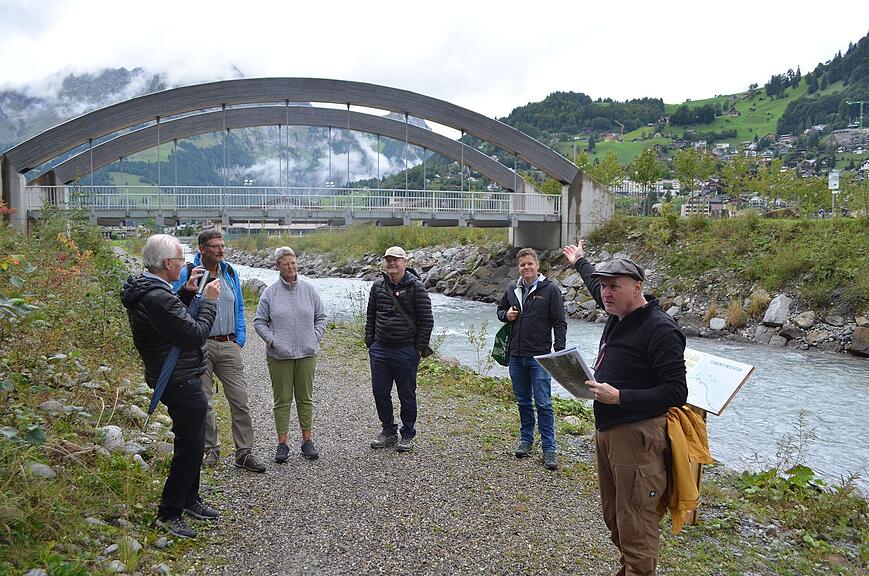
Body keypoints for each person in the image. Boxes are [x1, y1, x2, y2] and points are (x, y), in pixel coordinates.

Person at [562, 240, 688, 576]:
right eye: (604, 286)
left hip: (637, 435)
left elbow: (676, 392)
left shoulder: (660, 329)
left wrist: (620, 398)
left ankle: (638, 570)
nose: (605, 293)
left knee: (636, 520)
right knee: (615, 516)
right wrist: (580, 261)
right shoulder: (619, 313)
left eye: (614, 286)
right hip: (609, 433)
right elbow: (594, 285)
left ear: (638, 287)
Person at [121, 234, 220, 539]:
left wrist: (189, 295)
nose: (182, 265)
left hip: (177, 374)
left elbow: (173, 323)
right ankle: (169, 512)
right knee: (189, 447)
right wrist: (208, 302)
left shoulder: (153, 290)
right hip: (179, 379)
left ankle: (190, 499)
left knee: (192, 441)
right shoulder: (157, 296)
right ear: (167, 264)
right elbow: (192, 334)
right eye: (179, 260)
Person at [173, 230, 266, 473]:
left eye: (222, 246)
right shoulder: (189, 272)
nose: (221, 250)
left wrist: (240, 339)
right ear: (202, 249)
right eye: (215, 246)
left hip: (228, 344)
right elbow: (175, 304)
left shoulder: (230, 272)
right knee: (205, 402)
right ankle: (210, 450)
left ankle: (244, 452)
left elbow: (239, 307)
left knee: (240, 399)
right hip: (199, 345)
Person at [254, 247, 327, 462]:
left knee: (305, 398)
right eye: (286, 264)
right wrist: (274, 341)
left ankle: (307, 440)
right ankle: (282, 444)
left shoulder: (309, 290)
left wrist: (314, 337)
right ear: (278, 266)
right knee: (282, 400)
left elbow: (321, 317)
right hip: (279, 356)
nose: (291, 267)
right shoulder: (270, 293)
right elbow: (259, 322)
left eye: (293, 263)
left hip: (306, 353)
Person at [496, 248, 566, 471]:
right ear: (519, 267)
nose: (526, 268)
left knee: (544, 403)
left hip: (540, 357)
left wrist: (559, 351)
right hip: (516, 356)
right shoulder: (511, 289)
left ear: (537, 265)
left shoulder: (550, 290)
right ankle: (526, 441)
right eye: (522, 265)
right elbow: (499, 310)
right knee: (523, 402)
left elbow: (559, 322)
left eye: (530, 264)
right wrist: (506, 315)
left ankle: (549, 448)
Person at [365, 246, 433, 453]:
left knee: (406, 395)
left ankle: (408, 433)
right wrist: (371, 343)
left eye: (396, 260)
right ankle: (388, 430)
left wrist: (418, 348)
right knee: (380, 392)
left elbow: (426, 320)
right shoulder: (377, 287)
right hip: (381, 351)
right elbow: (371, 317)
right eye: (388, 260)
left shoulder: (416, 287)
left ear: (404, 262)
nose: (391, 264)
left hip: (406, 351)